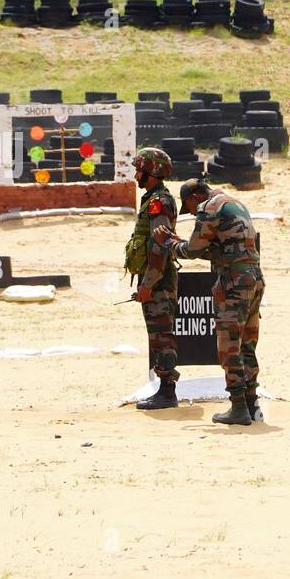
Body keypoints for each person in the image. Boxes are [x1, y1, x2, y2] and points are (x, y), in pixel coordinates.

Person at [157, 174, 264, 425]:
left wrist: (170, 243)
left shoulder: (209, 208)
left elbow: (193, 250)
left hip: (233, 283)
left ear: (195, 197)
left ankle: (238, 407)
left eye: (190, 208)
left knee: (229, 345)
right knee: (247, 342)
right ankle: (251, 401)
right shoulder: (232, 203)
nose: (193, 214)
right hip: (254, 279)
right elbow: (222, 248)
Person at [125, 147, 180, 410]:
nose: (136, 176)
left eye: (140, 171)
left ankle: (168, 392)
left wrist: (148, 283)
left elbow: (160, 245)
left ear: (152, 172)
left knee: (161, 335)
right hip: (153, 276)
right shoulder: (152, 199)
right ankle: (165, 389)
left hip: (157, 278)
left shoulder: (160, 201)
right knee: (157, 333)